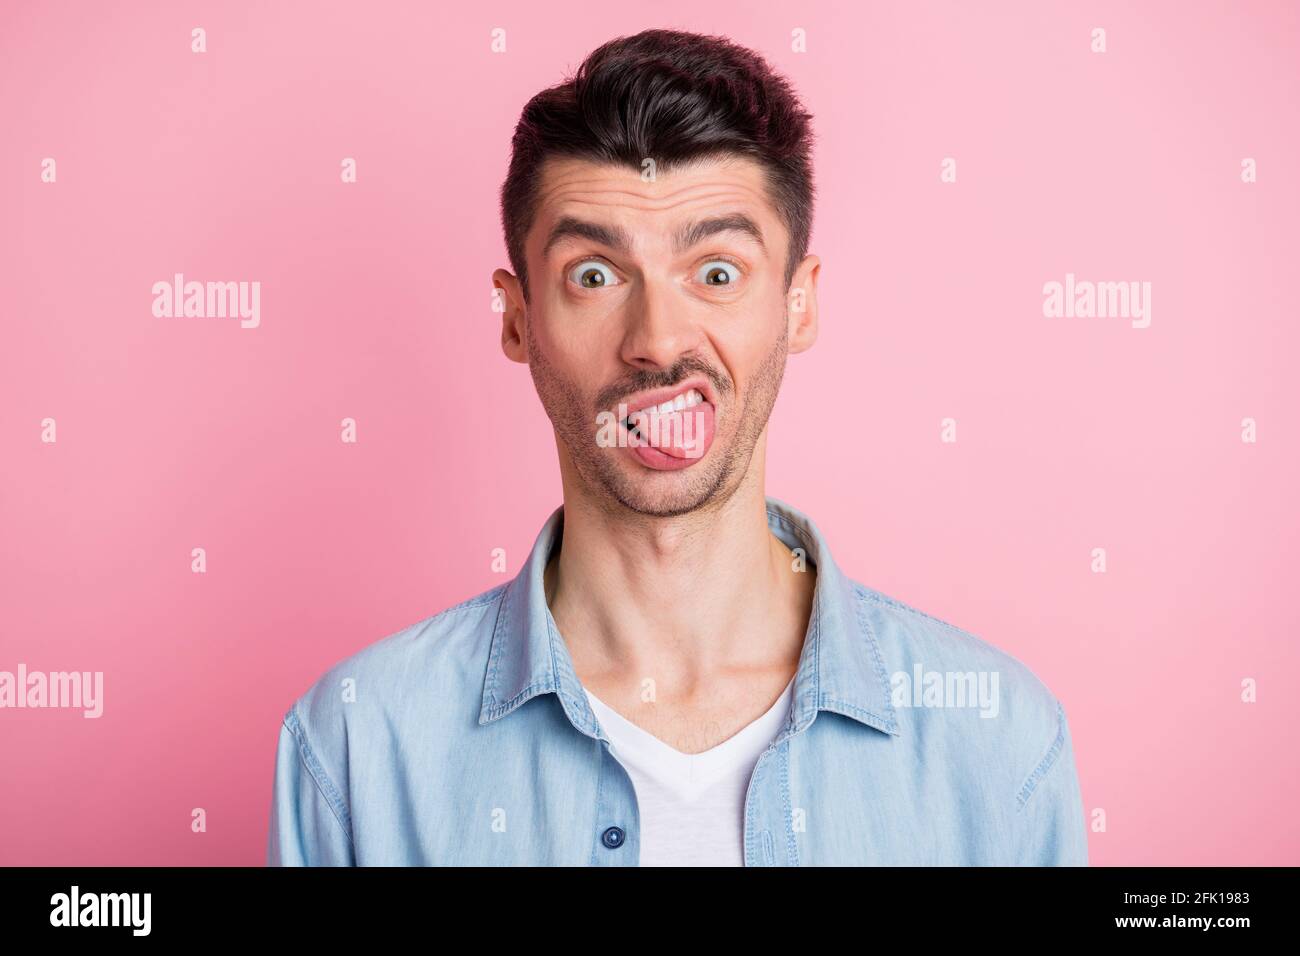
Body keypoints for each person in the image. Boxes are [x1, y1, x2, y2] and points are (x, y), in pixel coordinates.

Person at [268, 28, 1088, 866]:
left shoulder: (998, 745)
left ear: (797, 305)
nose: (658, 343)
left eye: (718, 272)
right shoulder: (356, 749)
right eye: (594, 275)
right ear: (517, 319)